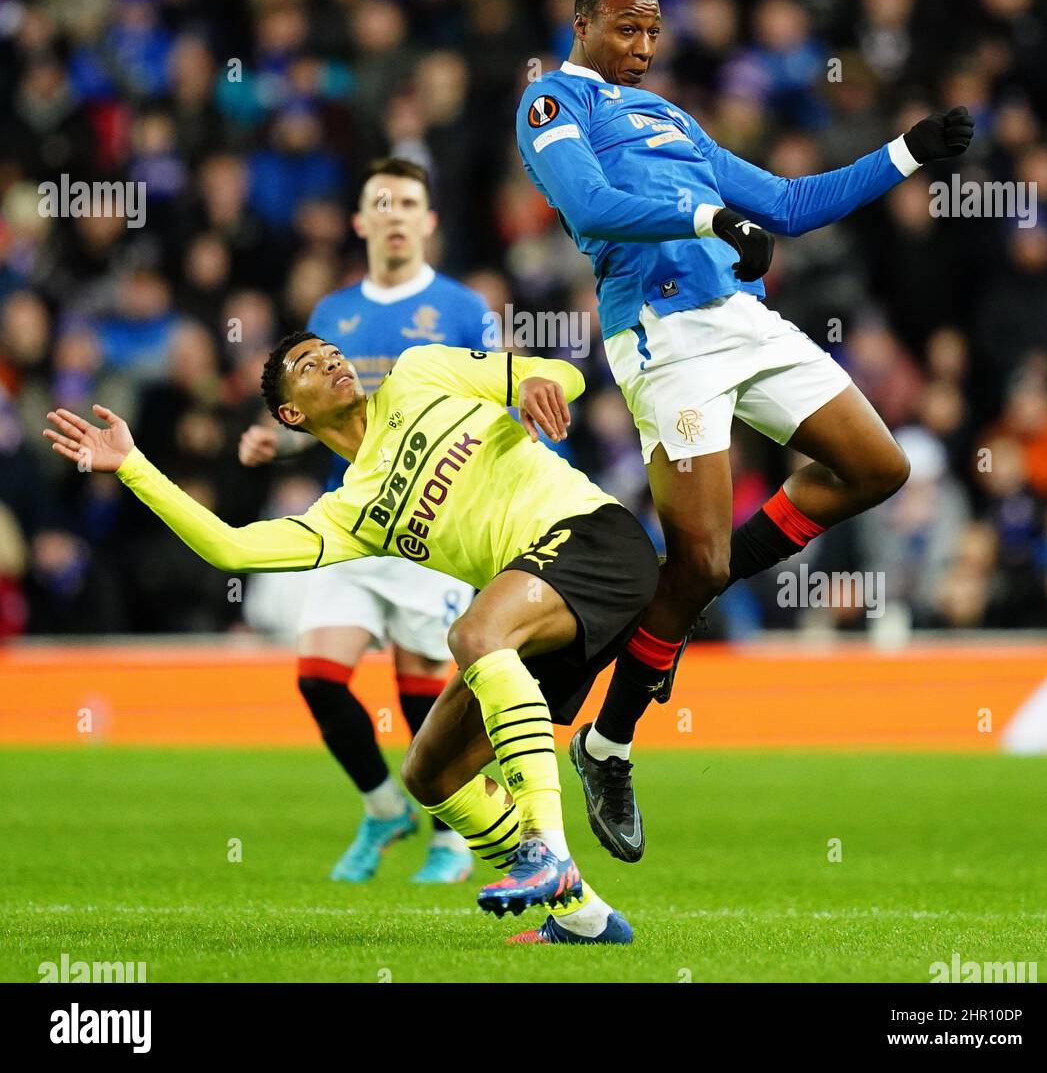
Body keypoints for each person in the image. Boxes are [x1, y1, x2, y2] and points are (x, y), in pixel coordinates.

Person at [516, 0, 975, 863]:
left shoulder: (667, 115)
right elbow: (593, 209)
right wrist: (703, 223)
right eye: (626, 26)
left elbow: (785, 202)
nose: (643, 44)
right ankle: (611, 740)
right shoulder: (555, 103)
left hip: (740, 316)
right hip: (661, 334)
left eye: (654, 29)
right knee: (704, 562)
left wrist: (905, 151)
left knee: (875, 468)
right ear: (582, 24)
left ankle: (662, 617)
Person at [43, 339, 659, 946]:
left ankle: (545, 848)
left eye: (331, 352)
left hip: (593, 537)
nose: (331, 361)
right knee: (430, 774)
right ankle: (583, 917)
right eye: (307, 365)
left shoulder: (419, 374)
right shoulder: (349, 512)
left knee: (473, 632)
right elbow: (230, 547)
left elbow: (553, 371)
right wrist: (132, 466)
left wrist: (536, 382)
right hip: (537, 596)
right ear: (292, 414)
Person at [238, 158, 487, 885]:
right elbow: (318, 416)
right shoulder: (332, 315)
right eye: (384, 202)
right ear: (362, 222)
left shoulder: (465, 307)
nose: (398, 214)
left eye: (411, 202)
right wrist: (276, 438)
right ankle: (384, 808)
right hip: (353, 521)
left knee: (421, 697)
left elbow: (494, 402)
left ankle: (454, 837)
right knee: (318, 677)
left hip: (428, 525)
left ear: (429, 220)